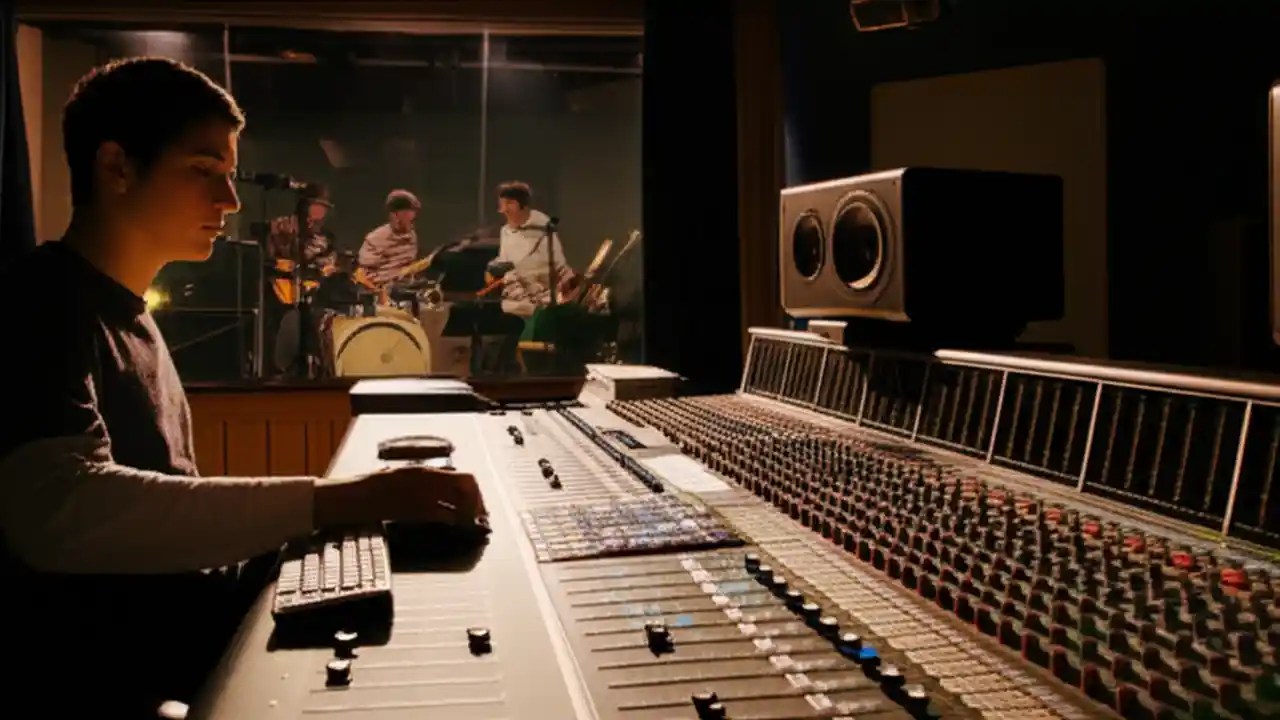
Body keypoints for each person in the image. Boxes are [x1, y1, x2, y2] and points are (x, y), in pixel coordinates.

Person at [0, 57, 486, 717]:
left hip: (179, 650)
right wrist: (338, 502)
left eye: (229, 177)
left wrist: (339, 529)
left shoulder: (128, 313)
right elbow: (59, 511)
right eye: (204, 172)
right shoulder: (40, 301)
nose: (229, 202)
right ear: (115, 167)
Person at [266, 184, 339, 375]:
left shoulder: (326, 238)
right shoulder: (283, 227)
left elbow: (327, 264)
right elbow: (270, 257)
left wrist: (321, 270)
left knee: (312, 331)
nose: (320, 212)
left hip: (312, 297)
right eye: (317, 206)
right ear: (305, 206)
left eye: (323, 208)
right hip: (280, 295)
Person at [358, 189, 421, 286]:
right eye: (407, 217)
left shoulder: (412, 236)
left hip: (406, 289)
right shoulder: (376, 238)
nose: (411, 222)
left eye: (412, 218)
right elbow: (365, 275)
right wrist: (392, 278)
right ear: (396, 215)